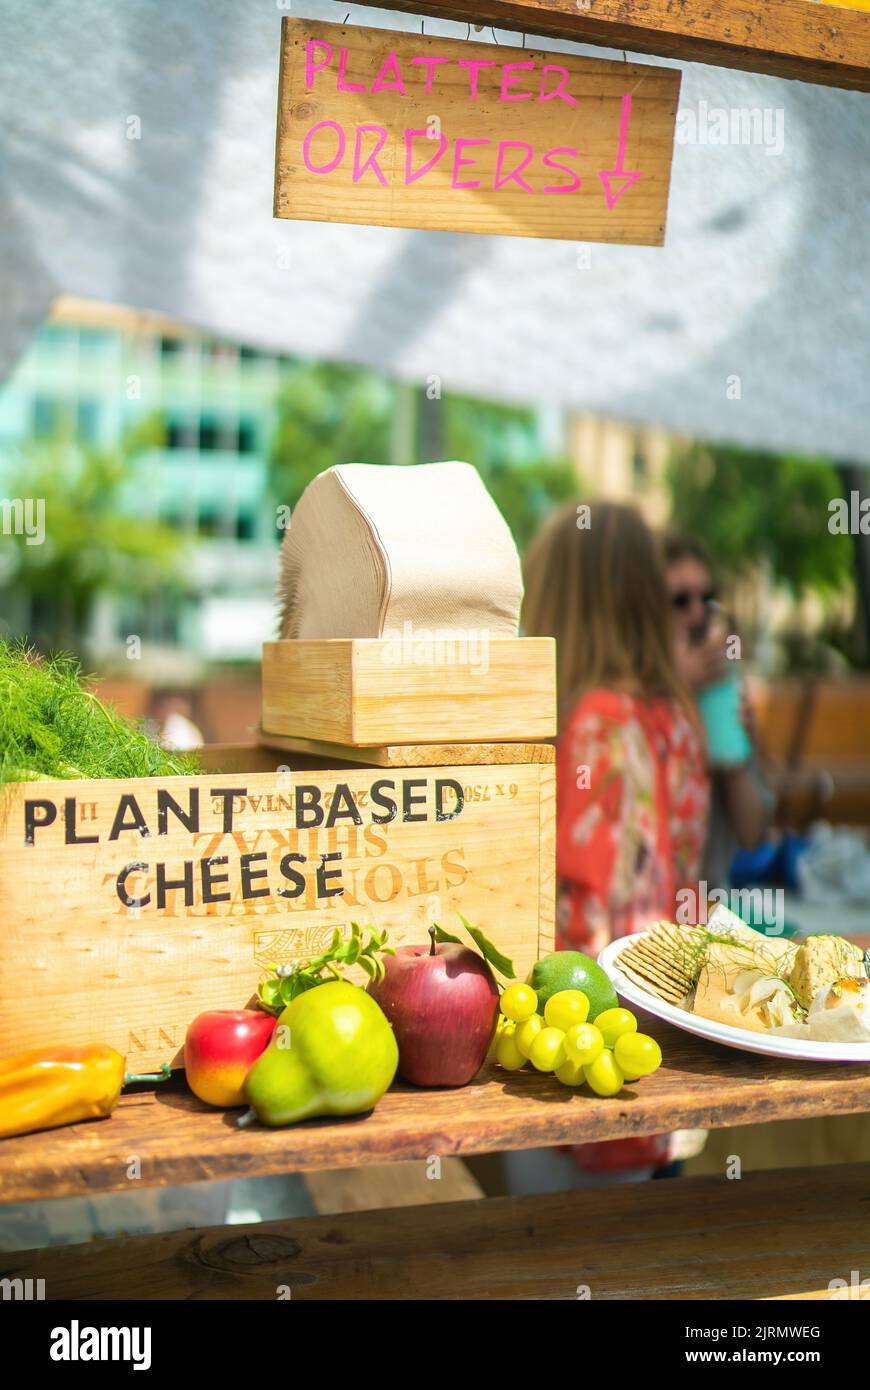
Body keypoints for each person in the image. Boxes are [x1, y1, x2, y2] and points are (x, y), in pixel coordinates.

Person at [523, 503, 710, 957]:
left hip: (596, 998)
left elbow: (581, 909)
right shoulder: (679, 717)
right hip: (668, 980)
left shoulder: (595, 725)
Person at [663, 533, 772, 887]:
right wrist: (674, 689)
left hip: (706, 909)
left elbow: (752, 833)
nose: (699, 614)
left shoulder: (722, 690)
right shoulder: (627, 701)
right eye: (680, 600)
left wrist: (738, 751)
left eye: (707, 598)